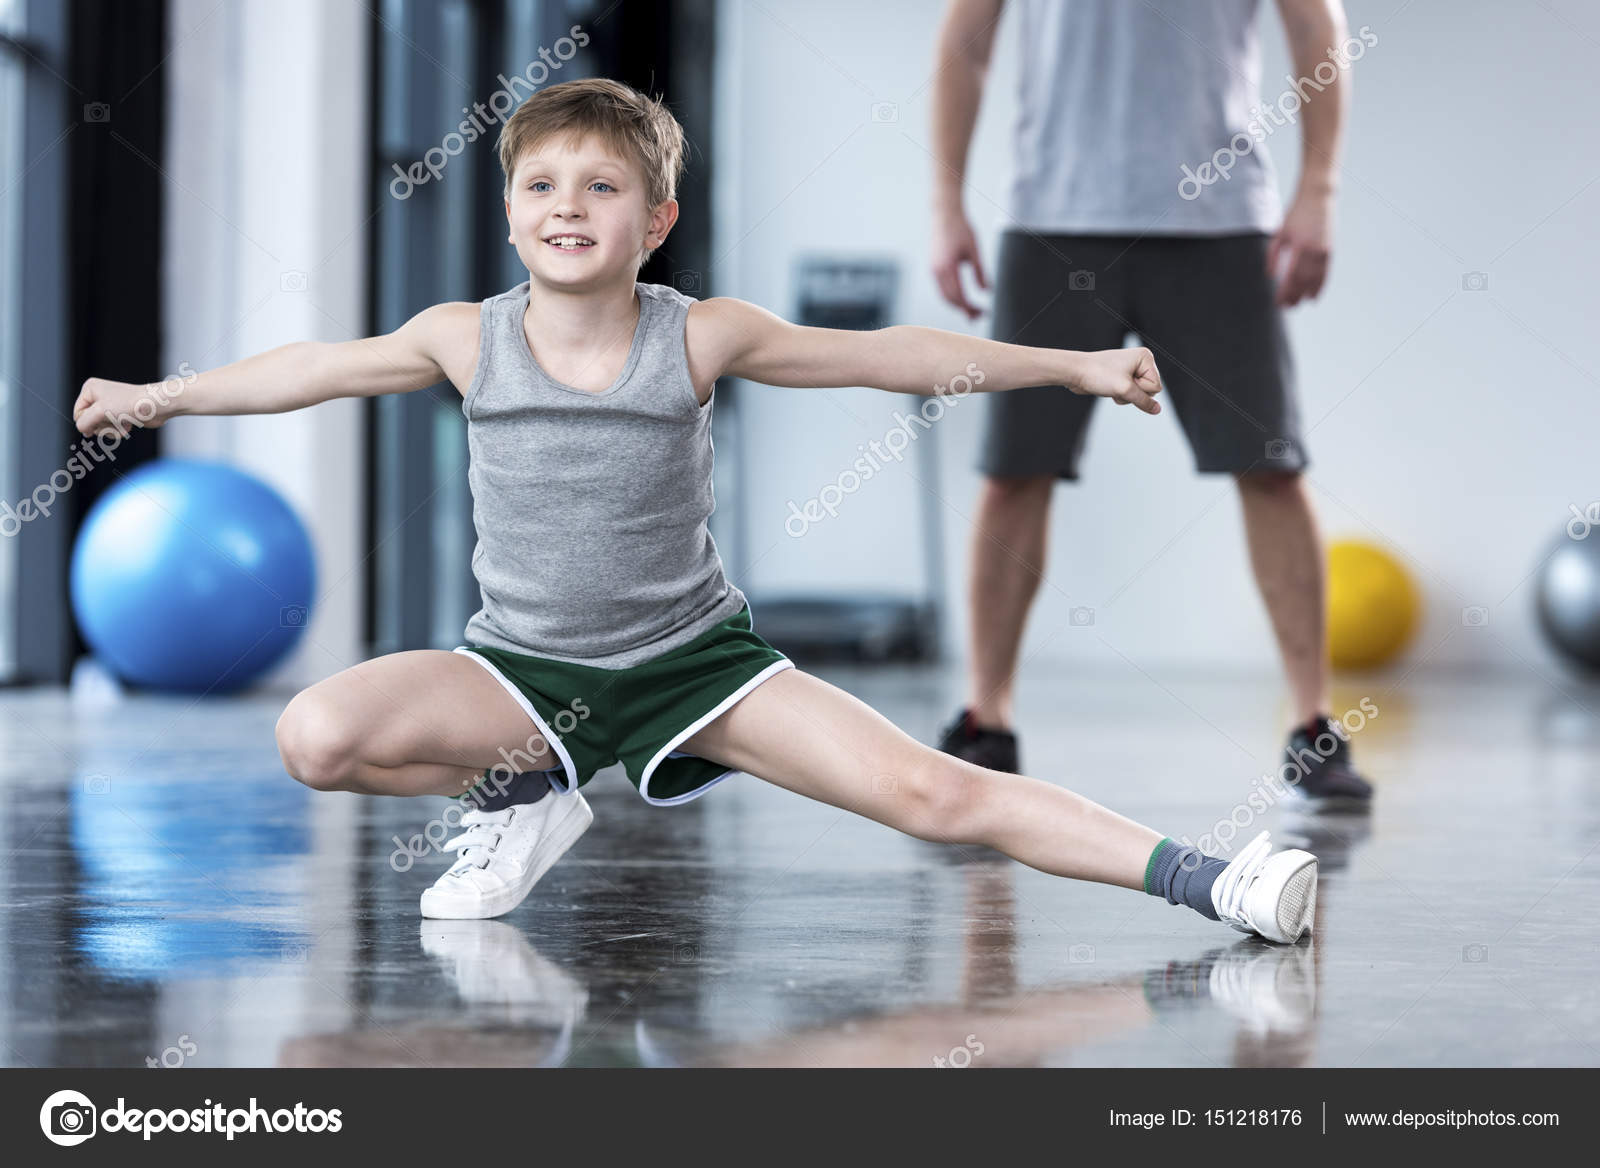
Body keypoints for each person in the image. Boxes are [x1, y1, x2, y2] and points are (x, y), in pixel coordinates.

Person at [73, 78, 1317, 943]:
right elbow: (306, 368)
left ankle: (1217, 879)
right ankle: (528, 784)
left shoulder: (701, 335)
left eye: (604, 187)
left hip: (696, 667)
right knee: (316, 737)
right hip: (518, 673)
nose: (569, 205)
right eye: (544, 184)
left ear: (655, 222)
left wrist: (1077, 365)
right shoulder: (461, 338)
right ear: (509, 212)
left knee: (935, 796)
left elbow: (890, 353)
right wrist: (156, 395)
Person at [929, 0, 1372, 811]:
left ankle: (1313, 727)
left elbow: (1317, 28)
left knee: (1272, 468)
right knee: (1014, 470)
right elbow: (966, 41)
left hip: (1218, 222)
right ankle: (986, 721)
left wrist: (1321, 189)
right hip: (1053, 218)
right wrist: (946, 203)